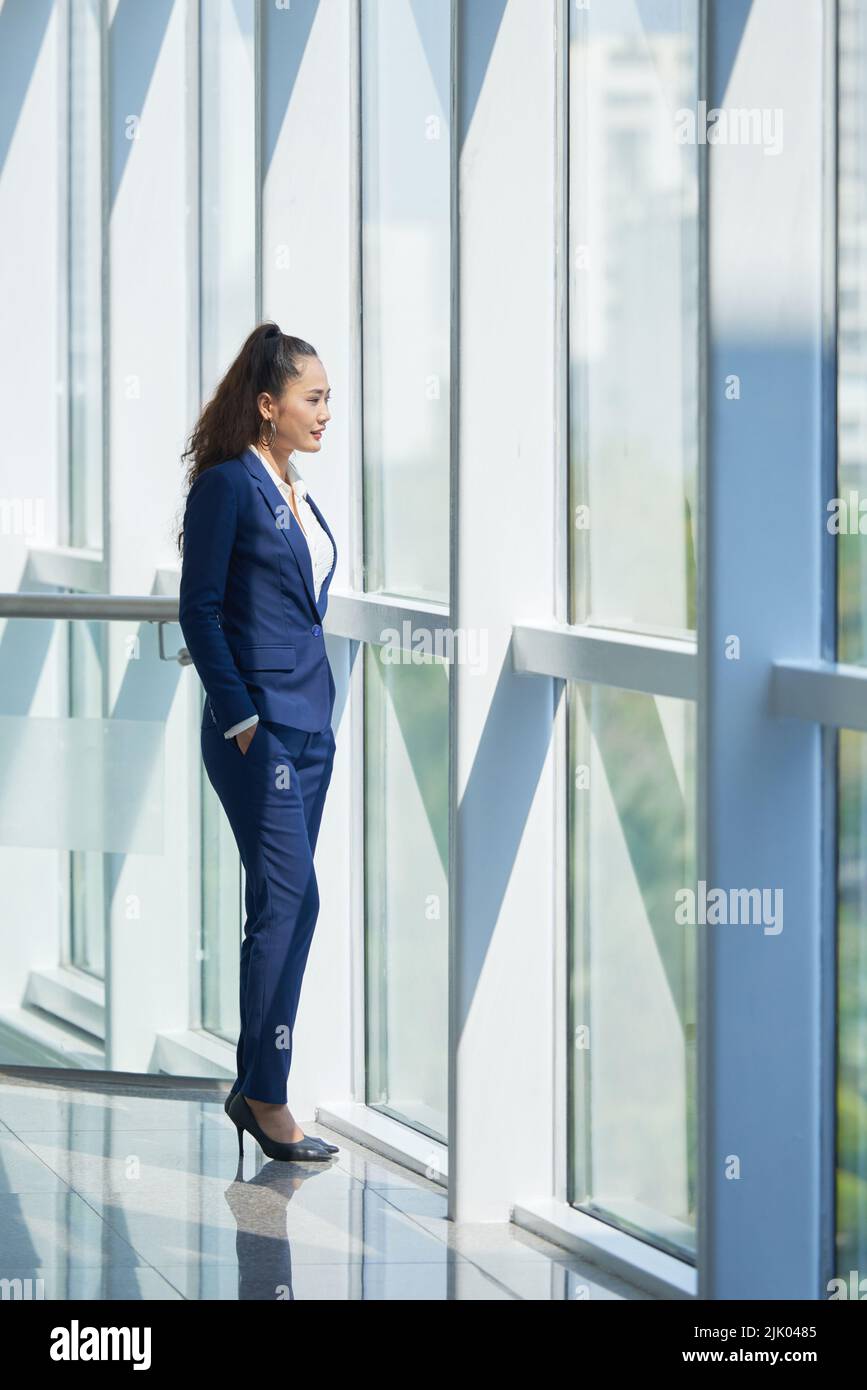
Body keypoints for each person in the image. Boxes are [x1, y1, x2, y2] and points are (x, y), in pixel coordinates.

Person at [178, 321, 338, 1162]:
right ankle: (266, 1097)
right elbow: (197, 609)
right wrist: (239, 718)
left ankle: (253, 1085)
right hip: (260, 733)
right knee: (294, 900)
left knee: (279, 906)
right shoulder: (227, 487)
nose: (325, 414)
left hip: (312, 729)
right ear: (268, 405)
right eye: (312, 399)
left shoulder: (291, 485)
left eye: (327, 399)